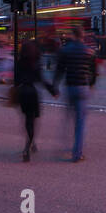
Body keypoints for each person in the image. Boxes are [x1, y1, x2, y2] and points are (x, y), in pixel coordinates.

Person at [53, 27, 96, 162]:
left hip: (70, 86)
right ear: (82, 36)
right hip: (83, 87)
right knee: (80, 121)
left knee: (68, 117)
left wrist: (54, 87)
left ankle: (66, 145)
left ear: (73, 35)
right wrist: (91, 85)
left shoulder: (65, 50)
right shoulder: (89, 51)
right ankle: (77, 153)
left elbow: (59, 70)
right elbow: (93, 73)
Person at [13, 40, 56, 163]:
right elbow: (41, 80)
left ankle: (30, 144)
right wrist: (52, 90)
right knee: (33, 121)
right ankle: (29, 144)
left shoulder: (19, 63)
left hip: (22, 93)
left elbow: (16, 81)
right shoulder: (35, 63)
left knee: (27, 120)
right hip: (32, 93)